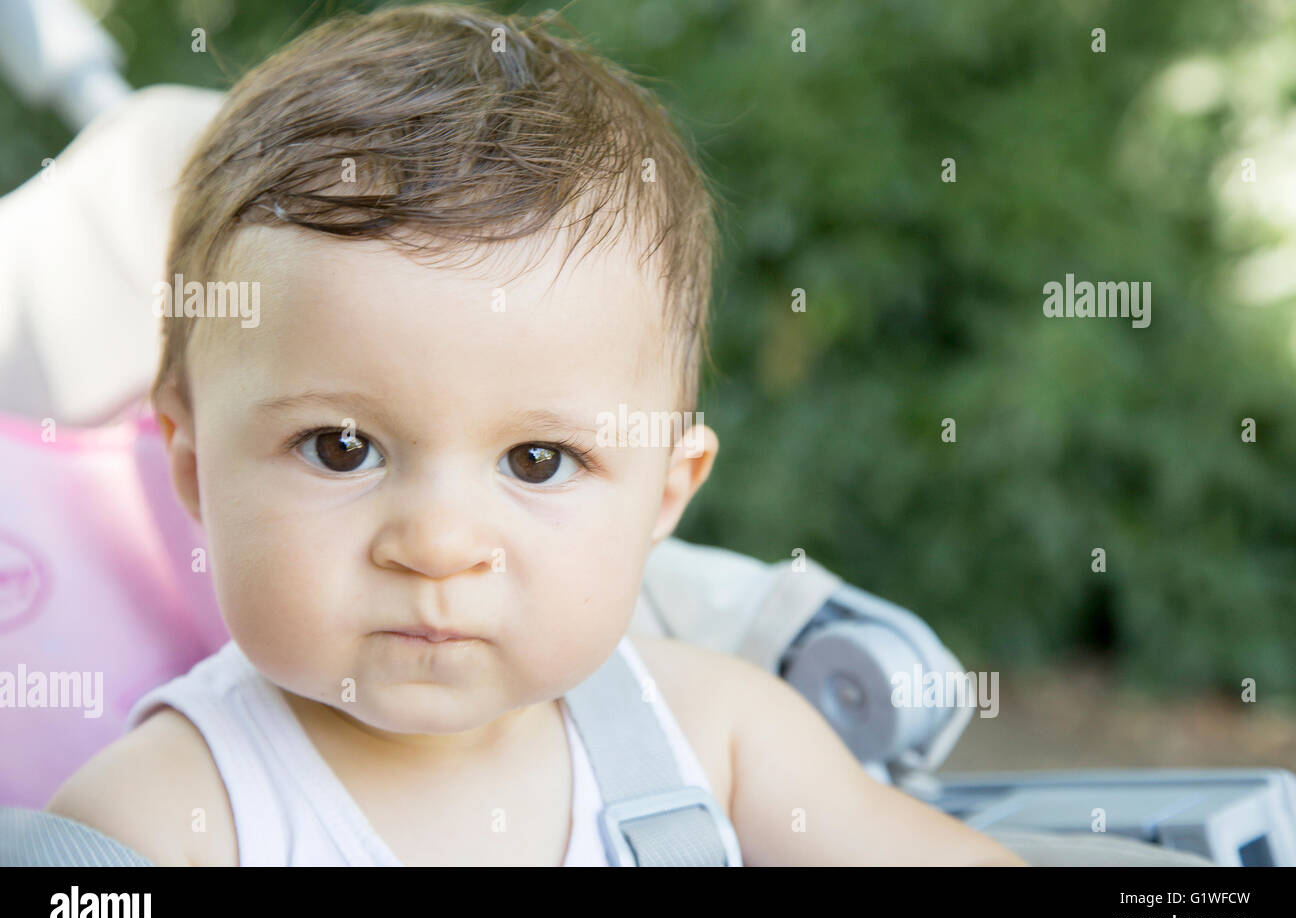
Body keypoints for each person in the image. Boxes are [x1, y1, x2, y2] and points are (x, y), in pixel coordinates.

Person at [44, 2, 1026, 866]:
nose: (435, 544)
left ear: (664, 492)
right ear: (193, 466)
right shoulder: (159, 819)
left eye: (536, 460)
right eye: (341, 447)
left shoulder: (718, 739)